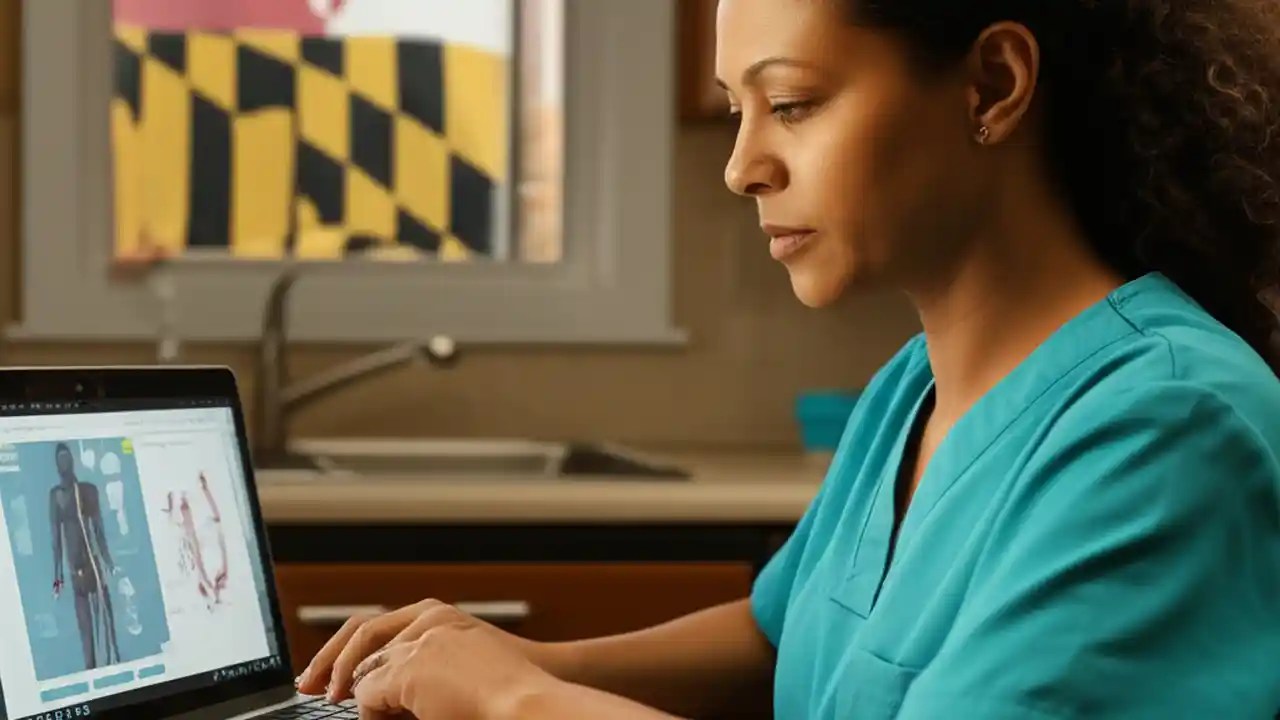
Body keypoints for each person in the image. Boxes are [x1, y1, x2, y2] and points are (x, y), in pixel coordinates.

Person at [295, 0, 1280, 717]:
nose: (740, 166)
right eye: (734, 109)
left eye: (793, 103)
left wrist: (516, 704)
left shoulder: (1168, 431)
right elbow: (782, 637)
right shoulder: (912, 386)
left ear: (991, 87)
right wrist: (533, 658)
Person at [50, 442, 122, 671]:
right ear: (56, 465)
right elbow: (55, 539)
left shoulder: (88, 490)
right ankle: (92, 671)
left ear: (72, 460)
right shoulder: (56, 497)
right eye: (60, 459)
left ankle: (114, 666)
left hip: (94, 563)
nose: (65, 463)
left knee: (106, 620)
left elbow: (99, 530)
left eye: (67, 458)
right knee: (85, 628)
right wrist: (57, 576)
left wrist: (109, 562)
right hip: (75, 569)